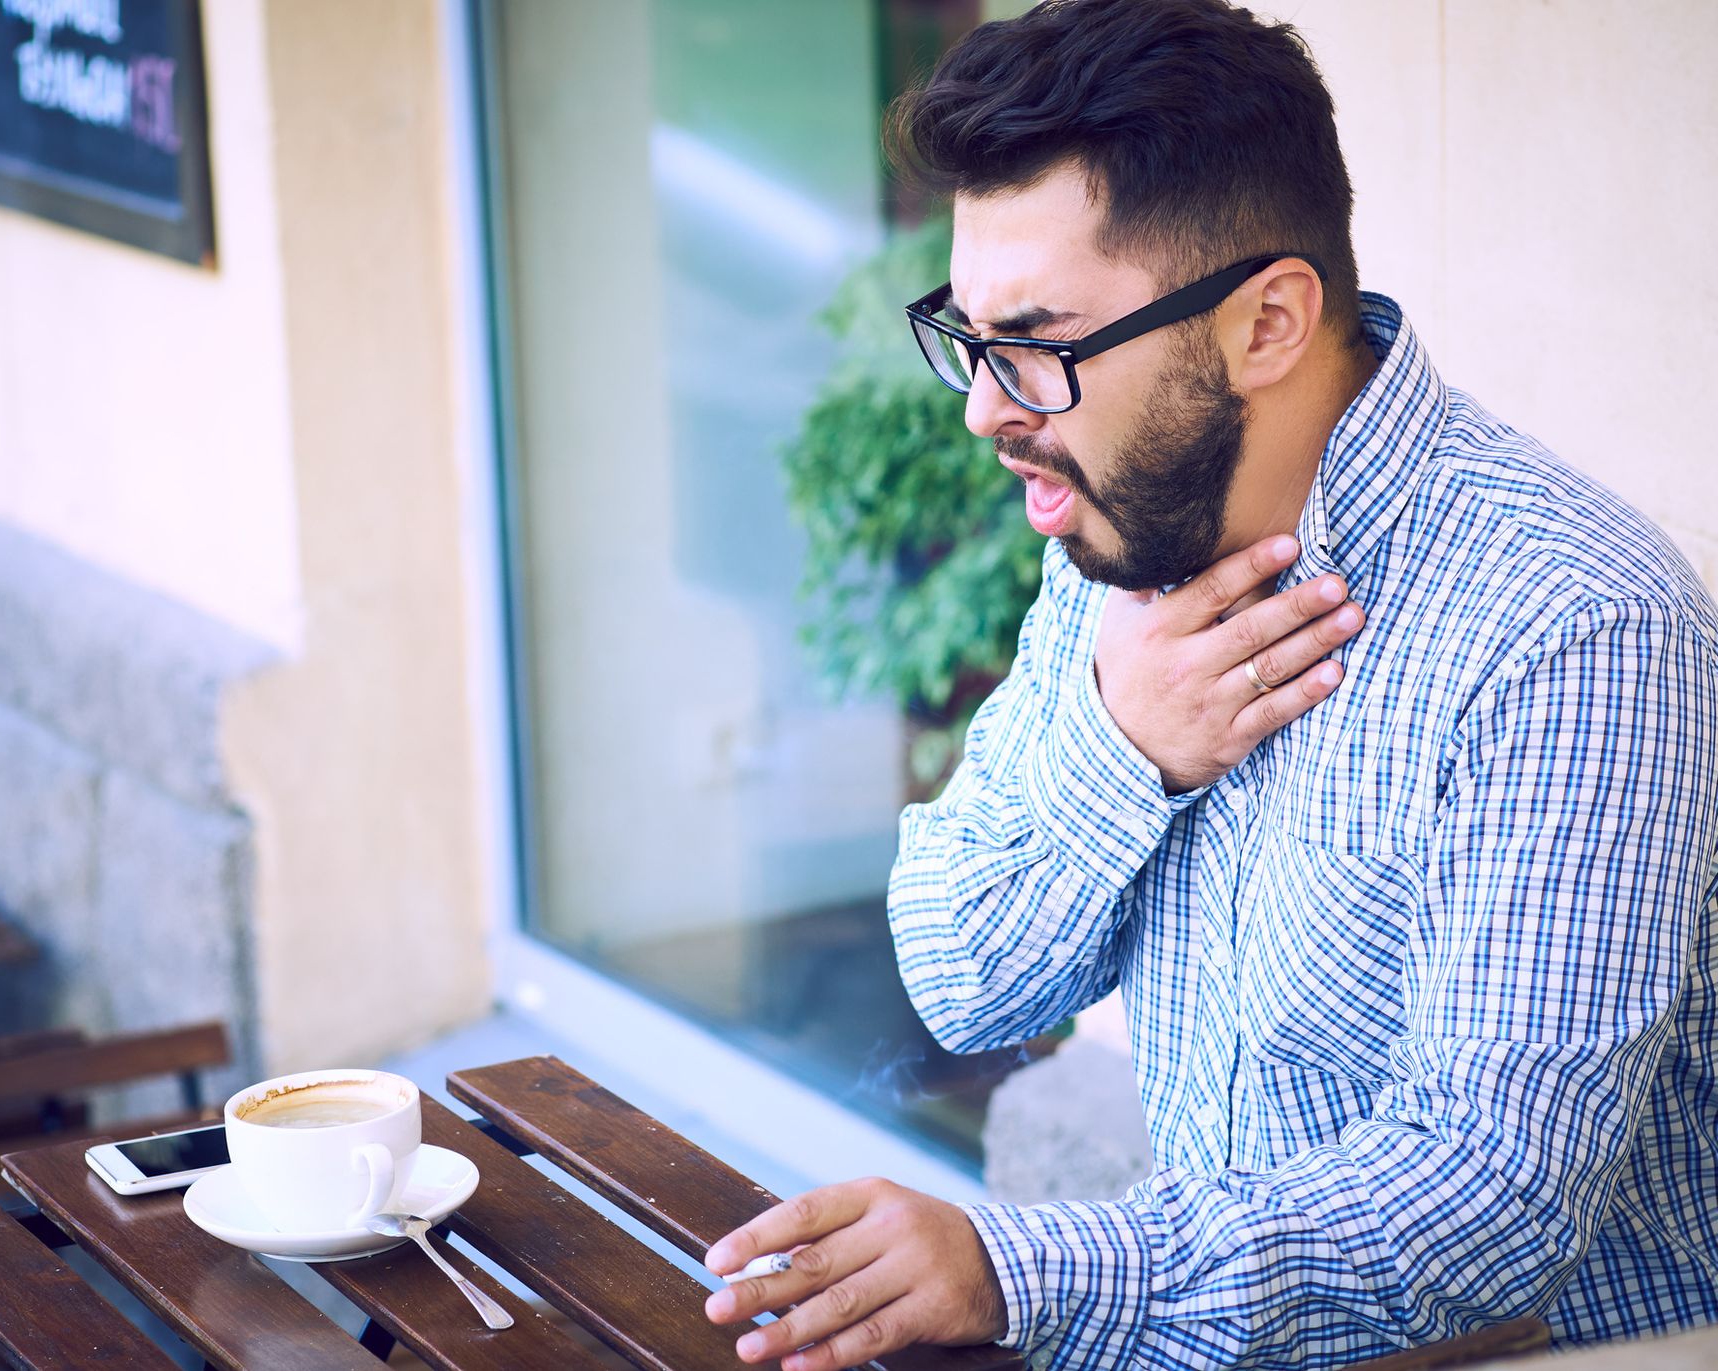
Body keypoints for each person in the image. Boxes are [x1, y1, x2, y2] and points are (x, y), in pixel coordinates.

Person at [699, 1, 1718, 1367]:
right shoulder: (1130, 528)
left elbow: (1489, 1198)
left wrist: (1020, 1270)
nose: (984, 411)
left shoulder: (1575, 624)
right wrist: (1125, 748)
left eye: (1040, 344)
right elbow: (962, 981)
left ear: (1268, 323)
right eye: (969, 334)